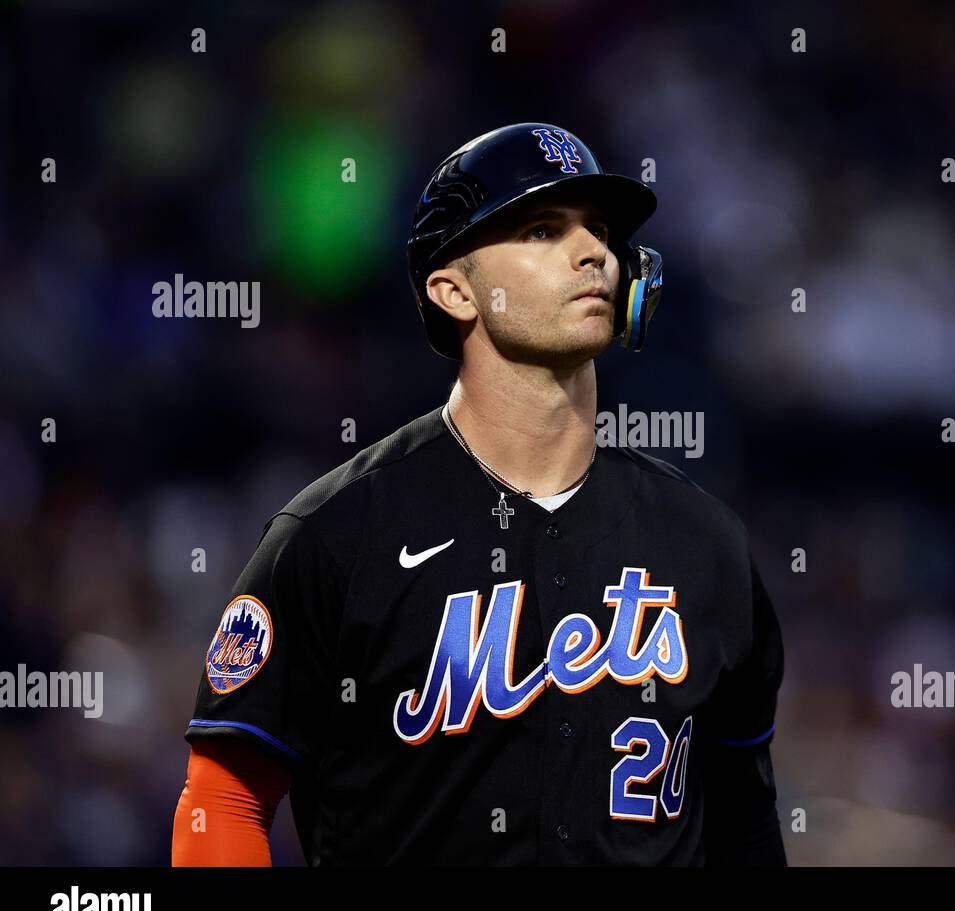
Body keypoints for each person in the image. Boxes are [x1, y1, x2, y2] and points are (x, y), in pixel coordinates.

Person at [171, 123, 786, 865]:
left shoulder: (704, 540)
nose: (592, 250)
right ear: (454, 289)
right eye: (539, 229)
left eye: (599, 229)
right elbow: (224, 801)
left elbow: (743, 819)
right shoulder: (336, 531)